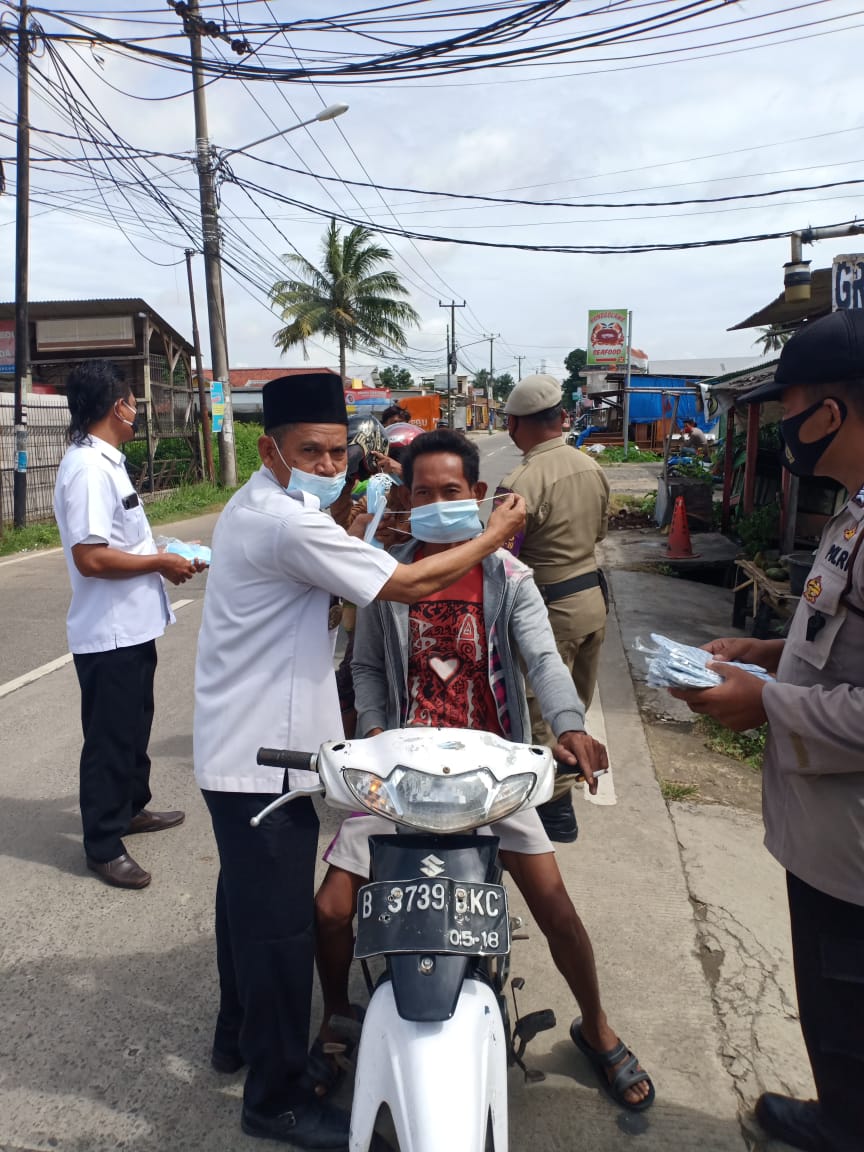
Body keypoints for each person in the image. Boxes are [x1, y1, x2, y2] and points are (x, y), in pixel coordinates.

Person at [192, 375, 525, 1150]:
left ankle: (236, 1038)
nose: (329, 461)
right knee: (276, 933)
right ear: (271, 449)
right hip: (262, 761)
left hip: (242, 752)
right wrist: (496, 532)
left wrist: (350, 522)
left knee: (240, 907)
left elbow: (336, 562)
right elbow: (407, 584)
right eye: (311, 449)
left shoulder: (271, 507)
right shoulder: (281, 523)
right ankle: (274, 1098)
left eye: (339, 448)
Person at [313, 429, 654, 1114]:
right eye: (424, 493)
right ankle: (339, 1014)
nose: (439, 503)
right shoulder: (386, 575)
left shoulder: (509, 578)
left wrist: (570, 725)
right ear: (406, 497)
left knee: (556, 909)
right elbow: (369, 666)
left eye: (452, 492)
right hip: (401, 773)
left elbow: (544, 660)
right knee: (330, 909)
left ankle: (596, 1023)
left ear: (477, 496)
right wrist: (375, 728)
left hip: (492, 773)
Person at [671, 310, 864, 1152]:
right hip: (825, 831)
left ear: (831, 413)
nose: (781, 428)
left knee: (851, 1001)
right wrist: (769, 651)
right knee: (831, 1000)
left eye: (791, 406)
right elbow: (840, 644)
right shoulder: (854, 509)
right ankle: (840, 1114)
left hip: (854, 843)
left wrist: (766, 703)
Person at [53, 361, 204, 890]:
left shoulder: (107, 464)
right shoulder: (89, 470)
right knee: (110, 738)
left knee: (135, 725)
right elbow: (92, 557)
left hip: (133, 627)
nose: (137, 410)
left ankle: (130, 808)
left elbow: (120, 544)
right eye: (133, 401)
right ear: (118, 406)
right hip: (109, 632)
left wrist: (162, 554)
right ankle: (102, 843)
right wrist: (160, 564)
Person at [497, 375, 610, 842]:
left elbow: (502, 554)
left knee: (542, 713)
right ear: (559, 419)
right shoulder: (591, 466)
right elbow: (601, 533)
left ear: (515, 424)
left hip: (550, 612)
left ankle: (557, 808)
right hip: (592, 605)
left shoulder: (521, 481)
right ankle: (569, 783)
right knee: (574, 705)